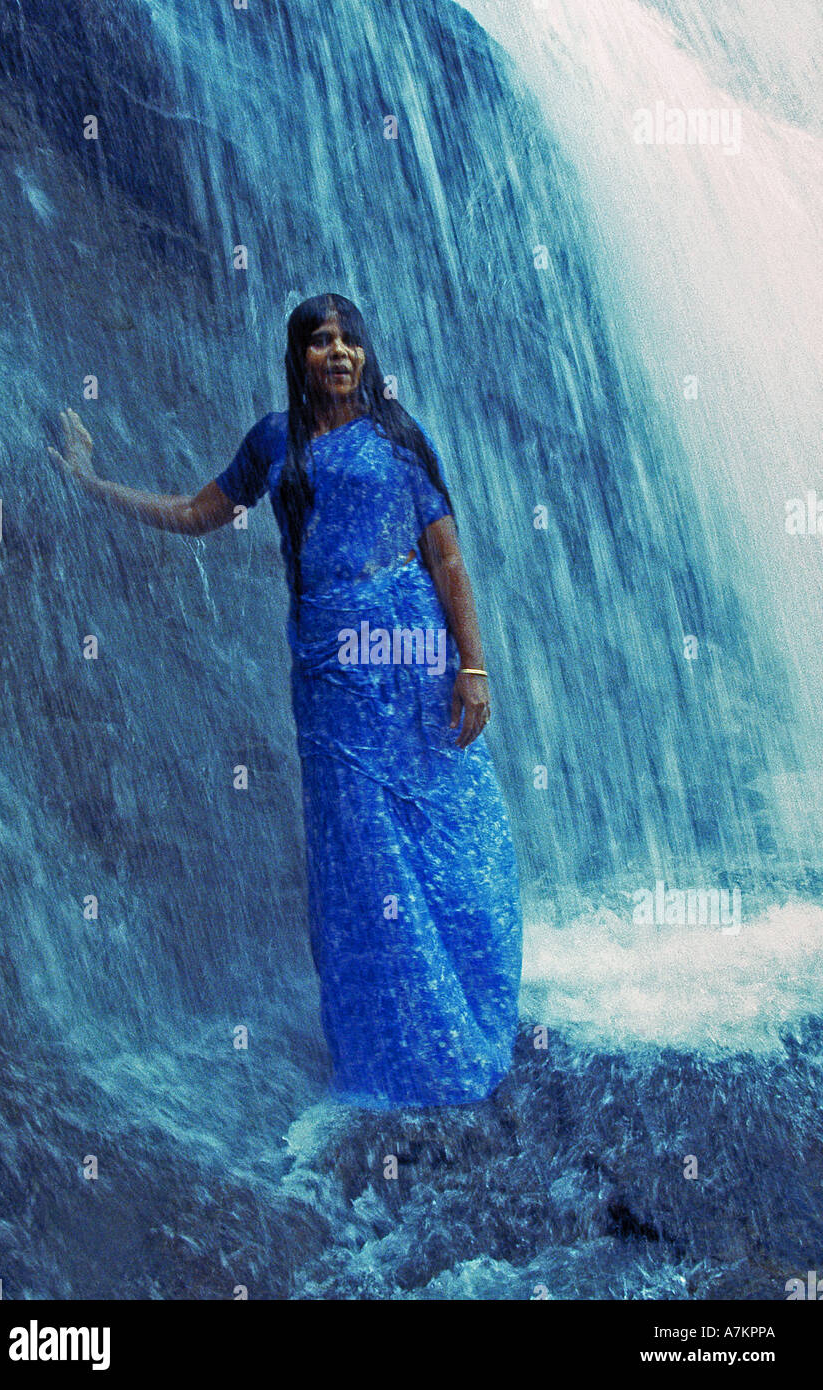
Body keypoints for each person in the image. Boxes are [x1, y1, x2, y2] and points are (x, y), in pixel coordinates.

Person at [48, 293, 523, 1109]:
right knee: (359, 848)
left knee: (449, 827)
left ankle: (472, 1016)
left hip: (412, 656)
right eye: (318, 341)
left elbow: (447, 558)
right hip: (330, 669)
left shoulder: (402, 435)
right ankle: (394, 1053)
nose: (336, 353)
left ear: (367, 356)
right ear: (298, 357)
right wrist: (92, 484)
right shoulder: (275, 441)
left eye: (348, 341)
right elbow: (200, 515)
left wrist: (472, 666)